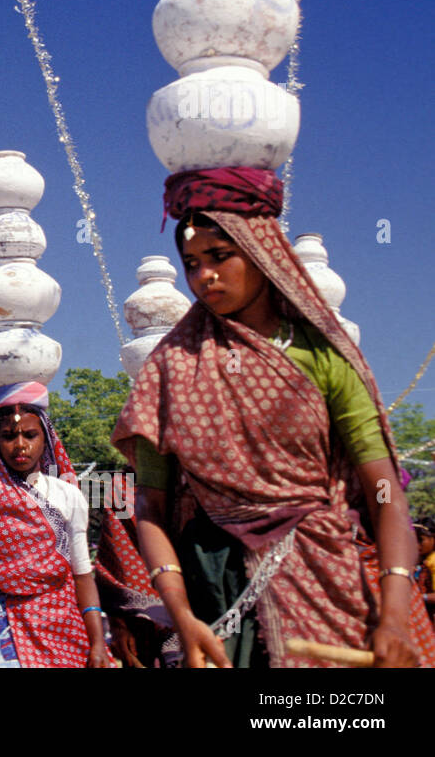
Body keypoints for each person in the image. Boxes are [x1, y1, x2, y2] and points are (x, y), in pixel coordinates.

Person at [113, 168, 435, 668]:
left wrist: (392, 613)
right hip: (216, 594)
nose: (205, 277)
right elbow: (150, 508)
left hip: (334, 583)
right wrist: (181, 613)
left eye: (220, 257)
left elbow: (384, 491)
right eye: (192, 263)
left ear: (261, 252)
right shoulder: (169, 370)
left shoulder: (323, 357)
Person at [0, 382, 112, 668]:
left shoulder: (67, 494)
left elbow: (83, 577)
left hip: (62, 630)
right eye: (8, 436)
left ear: (46, 439)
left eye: (30, 435)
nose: (20, 445)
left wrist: (97, 643)